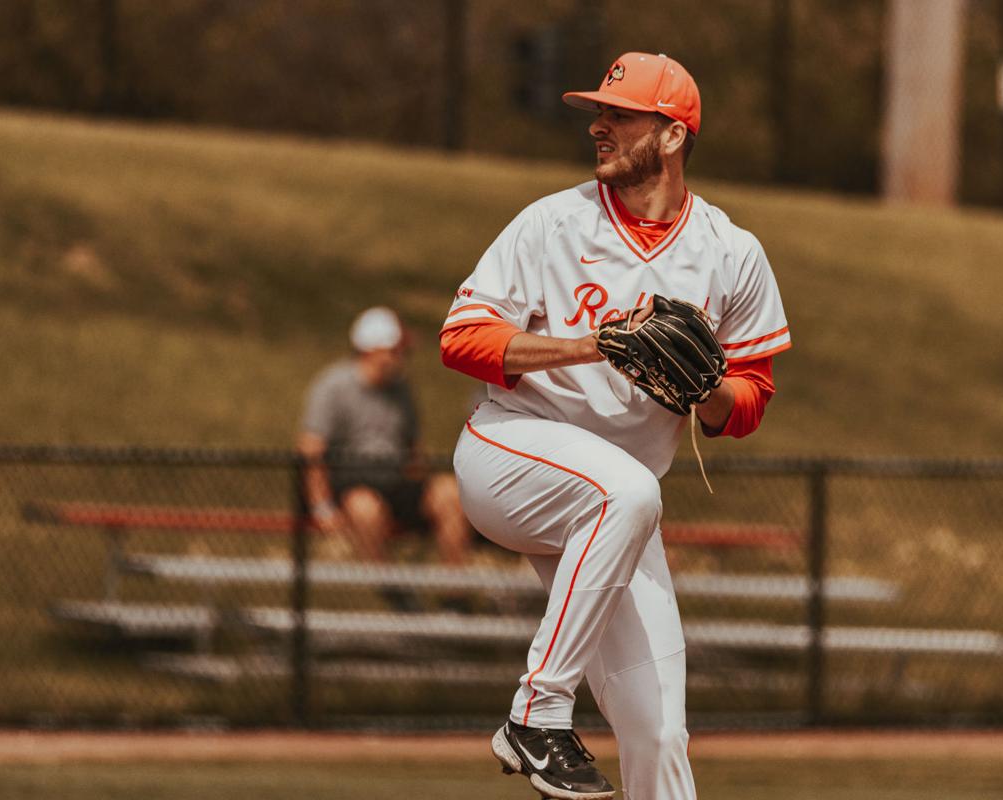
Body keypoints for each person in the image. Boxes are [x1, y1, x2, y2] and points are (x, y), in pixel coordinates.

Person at [439, 53, 790, 800]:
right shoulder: (552, 223)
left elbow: (749, 400)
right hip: (510, 454)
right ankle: (537, 713)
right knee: (628, 492)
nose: (598, 125)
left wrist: (705, 389)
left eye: (619, 115)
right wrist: (591, 344)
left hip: (616, 512)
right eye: (598, 111)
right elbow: (461, 338)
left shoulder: (731, 253)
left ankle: (549, 720)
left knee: (660, 735)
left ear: (671, 135)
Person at [298, 306, 470, 566]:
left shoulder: (402, 390)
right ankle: (388, 592)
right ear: (371, 350)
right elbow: (311, 449)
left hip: (394, 479)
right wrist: (321, 506)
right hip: (352, 482)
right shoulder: (333, 386)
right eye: (396, 350)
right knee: (365, 507)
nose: (403, 357)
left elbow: (413, 449)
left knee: (449, 493)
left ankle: (455, 596)